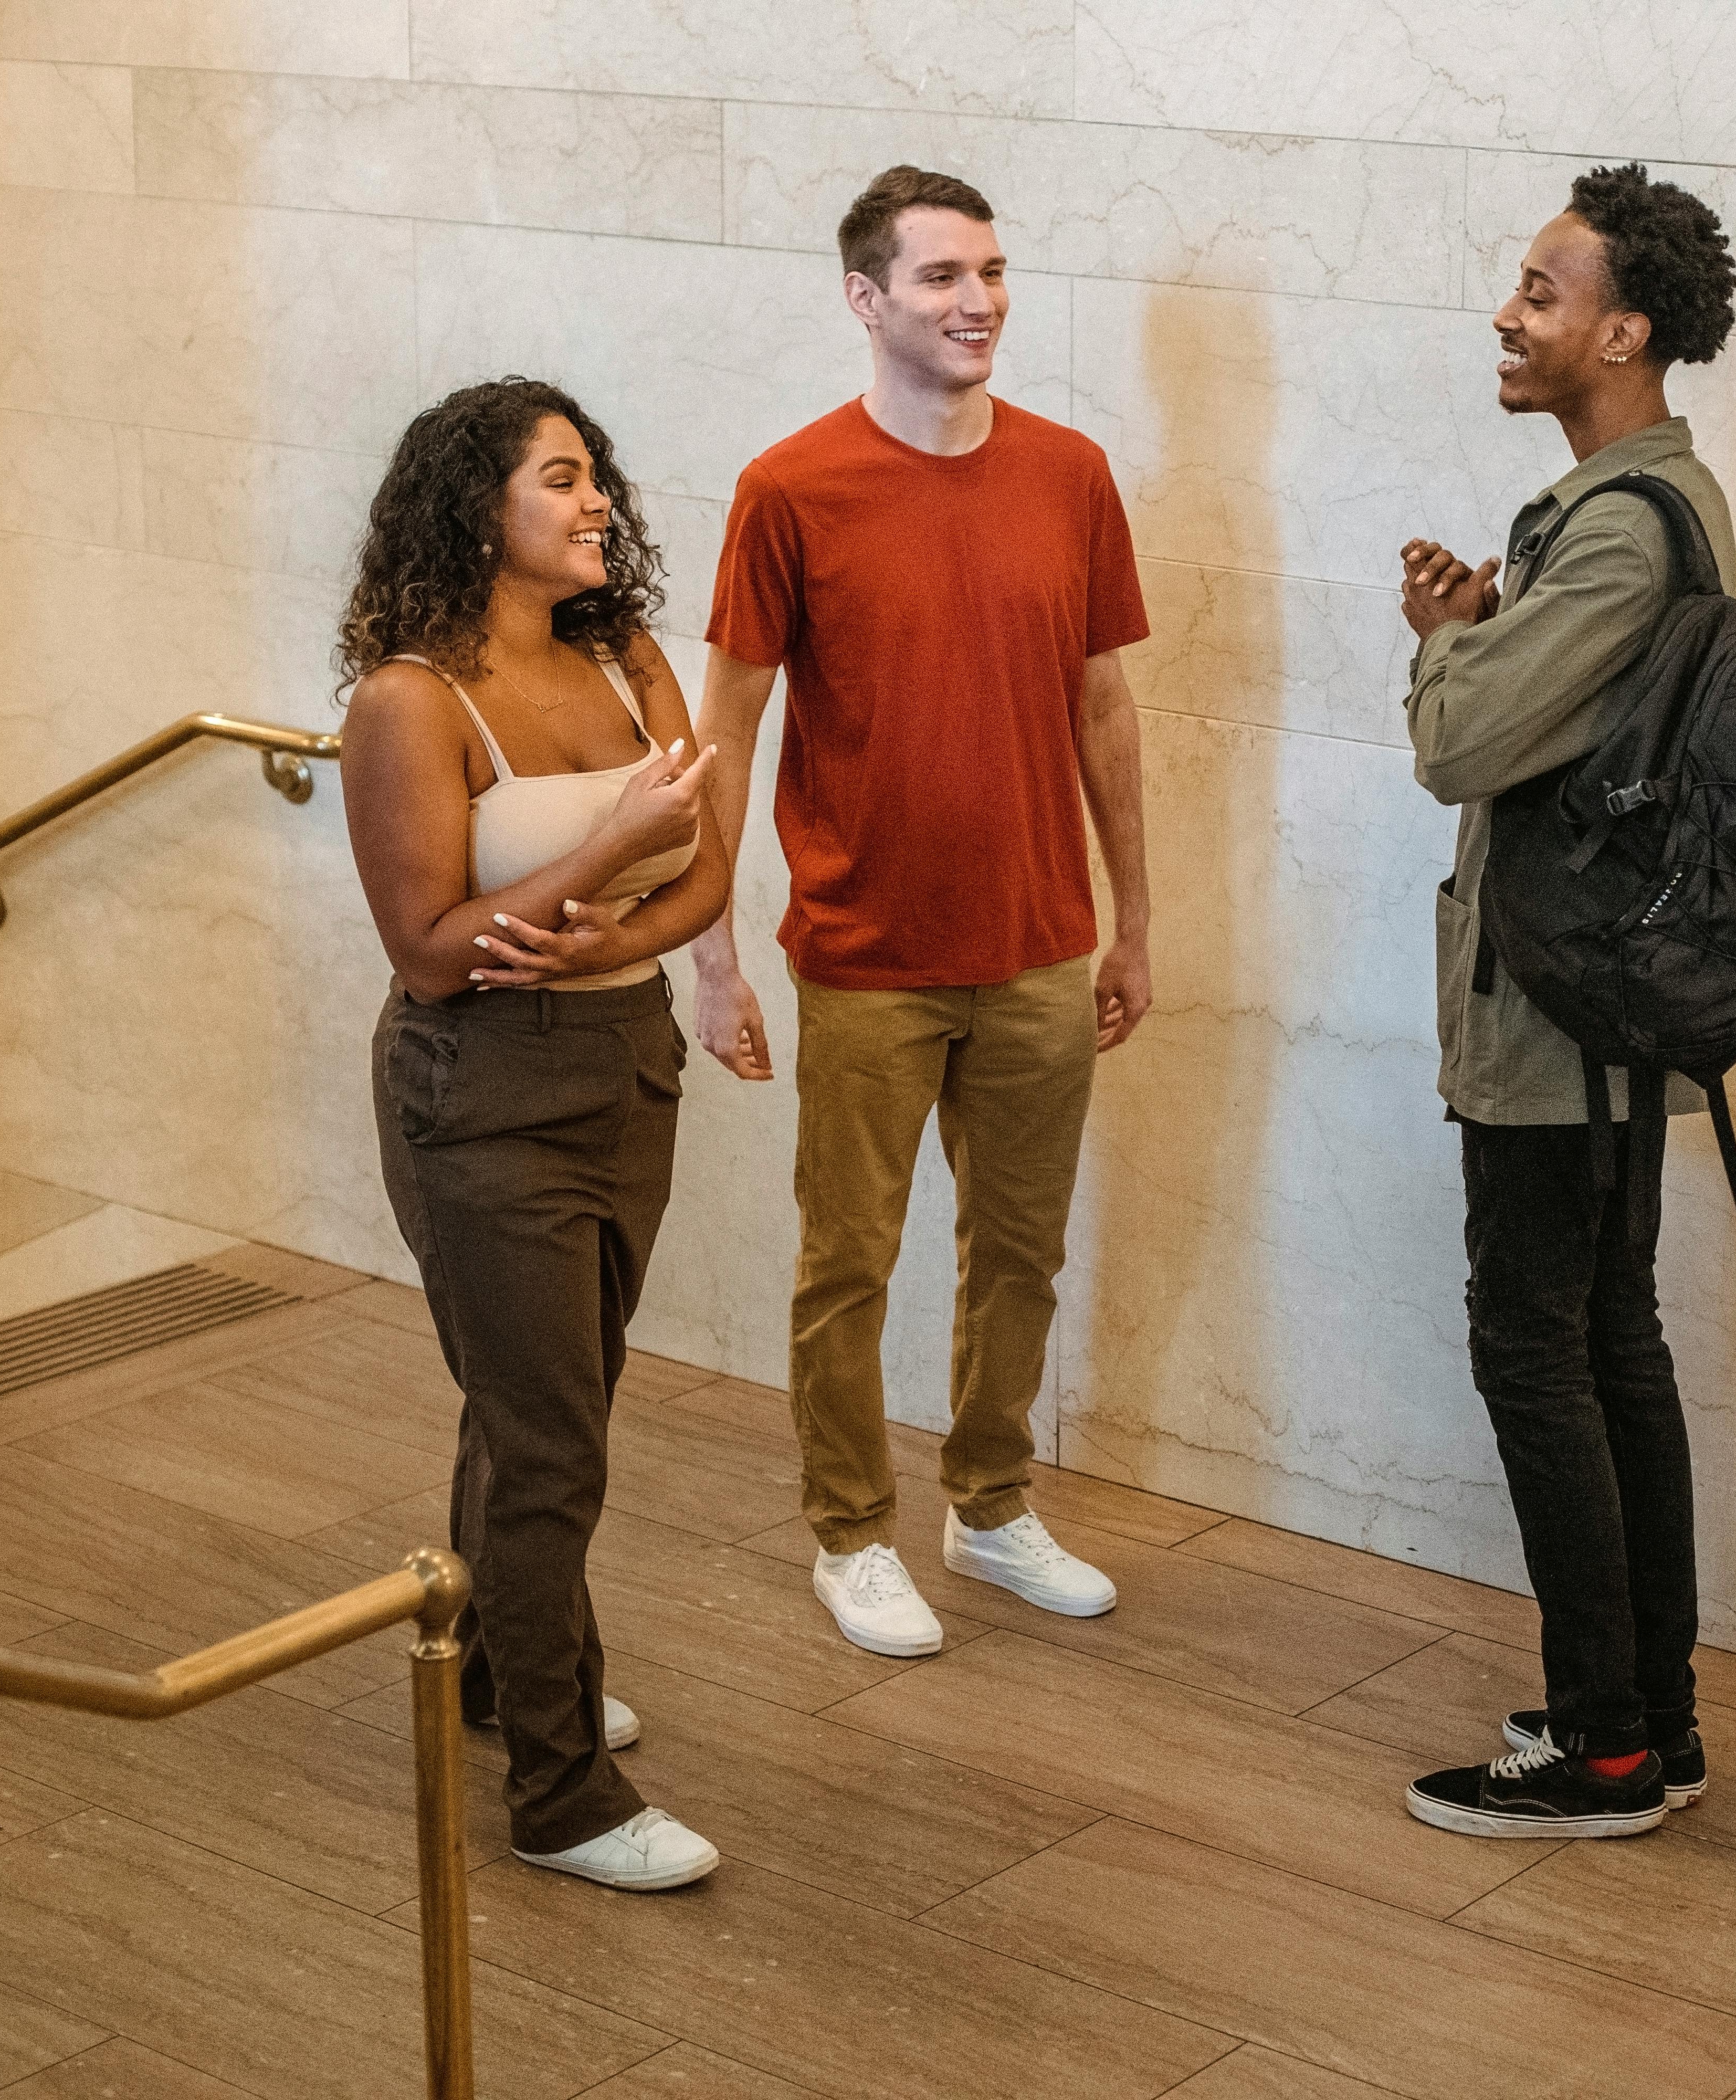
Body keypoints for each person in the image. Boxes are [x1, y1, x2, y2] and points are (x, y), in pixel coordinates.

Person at [684, 166, 1153, 1657]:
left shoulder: (1070, 474)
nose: (981, 304)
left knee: (1021, 1254)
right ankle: (848, 1532)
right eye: (945, 278)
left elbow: (1105, 710)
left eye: (995, 272)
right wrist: (710, 954)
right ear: (867, 299)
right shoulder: (789, 489)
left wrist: (1132, 920)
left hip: (1035, 948)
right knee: (850, 1260)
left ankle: (992, 1507)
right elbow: (729, 731)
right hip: (866, 959)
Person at [338, 377, 729, 1891]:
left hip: (626, 1070)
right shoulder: (408, 704)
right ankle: (564, 1796)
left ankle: (500, 1682)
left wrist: (615, 909)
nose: (598, 507)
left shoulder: (628, 661)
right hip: (479, 1096)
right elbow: (432, 948)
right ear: (474, 508)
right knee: (550, 1441)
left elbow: (704, 879)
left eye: (598, 481)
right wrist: (603, 855)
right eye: (562, 482)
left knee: (547, 1406)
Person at [1393, 166, 1736, 1839]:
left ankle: (1605, 1745)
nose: (1508, 314)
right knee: (1609, 1345)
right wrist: (1484, 625)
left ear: (1626, 331)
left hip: (1557, 1030)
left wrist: (1442, 647)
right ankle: (1646, 1721)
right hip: (1598, 1025)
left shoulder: (1619, 525)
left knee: (1542, 1353)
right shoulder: (1640, 509)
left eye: (1541, 290)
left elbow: (1459, 748)